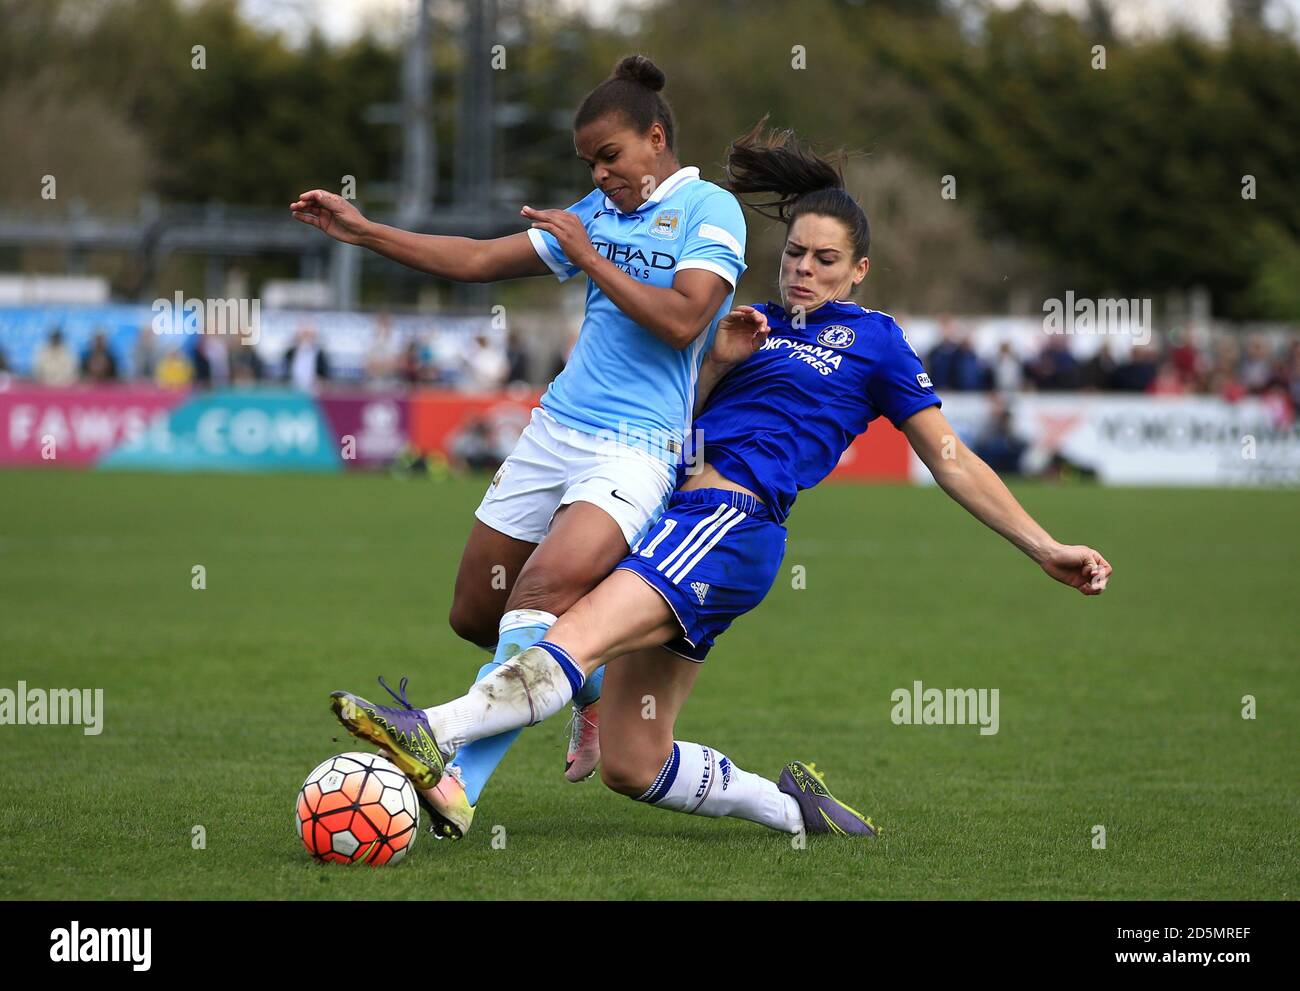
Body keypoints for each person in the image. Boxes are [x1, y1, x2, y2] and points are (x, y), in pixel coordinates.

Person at [329, 122, 1114, 840]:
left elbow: (950, 456)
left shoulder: (874, 342)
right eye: (795, 254)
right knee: (632, 764)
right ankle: (792, 807)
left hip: (727, 525)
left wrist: (1043, 544)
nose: (804, 270)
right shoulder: (750, 324)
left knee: (559, 630)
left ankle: (434, 732)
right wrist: (716, 364)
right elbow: (683, 421)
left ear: (860, 270)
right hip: (683, 527)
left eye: (826, 260)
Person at [292, 55, 748, 838]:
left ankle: (456, 775)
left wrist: (592, 253)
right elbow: (475, 260)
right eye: (589, 165)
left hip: (633, 449)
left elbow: (682, 320)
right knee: (479, 610)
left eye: (610, 157)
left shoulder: (711, 211)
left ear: (656, 138)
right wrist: (365, 233)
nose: (600, 175)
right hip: (555, 431)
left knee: (538, 595)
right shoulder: (595, 215)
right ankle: (590, 687)